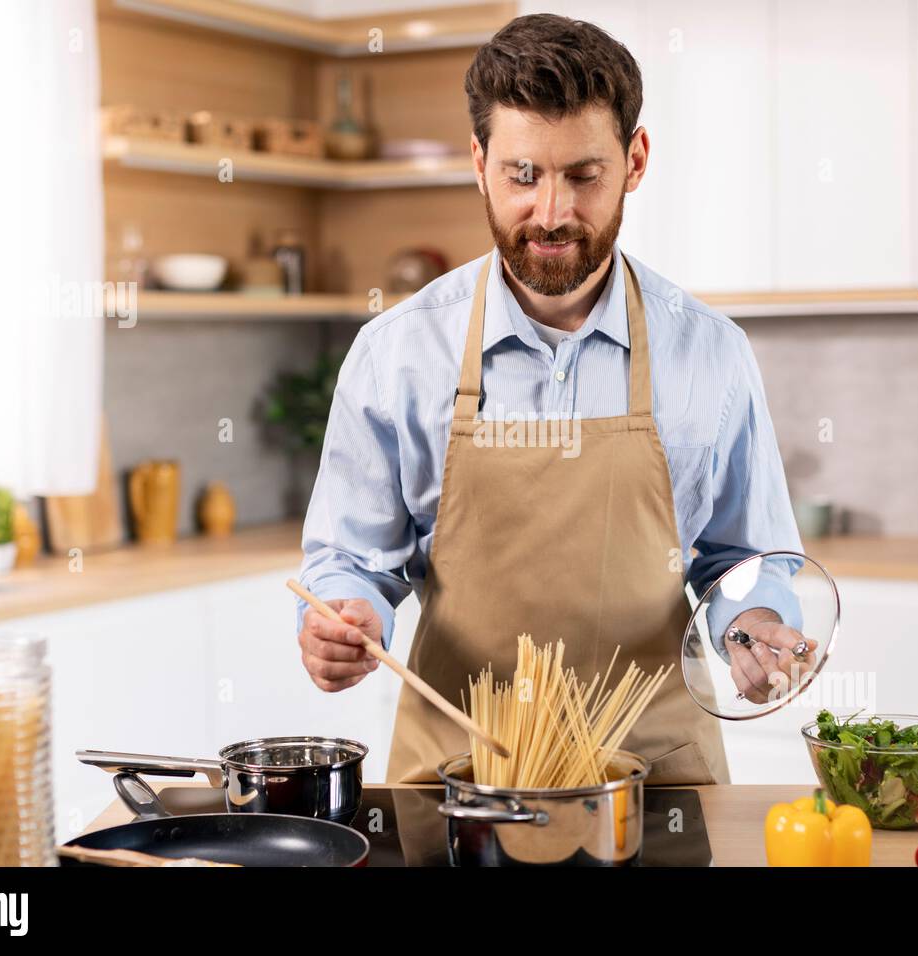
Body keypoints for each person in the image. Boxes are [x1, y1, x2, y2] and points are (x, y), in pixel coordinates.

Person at [295, 14, 808, 784]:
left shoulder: (710, 353)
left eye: (583, 175)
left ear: (635, 160)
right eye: (523, 175)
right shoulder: (398, 353)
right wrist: (339, 614)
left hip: (655, 778)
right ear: (479, 162)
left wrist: (758, 621)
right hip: (458, 780)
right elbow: (351, 561)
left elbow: (745, 558)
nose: (552, 213)